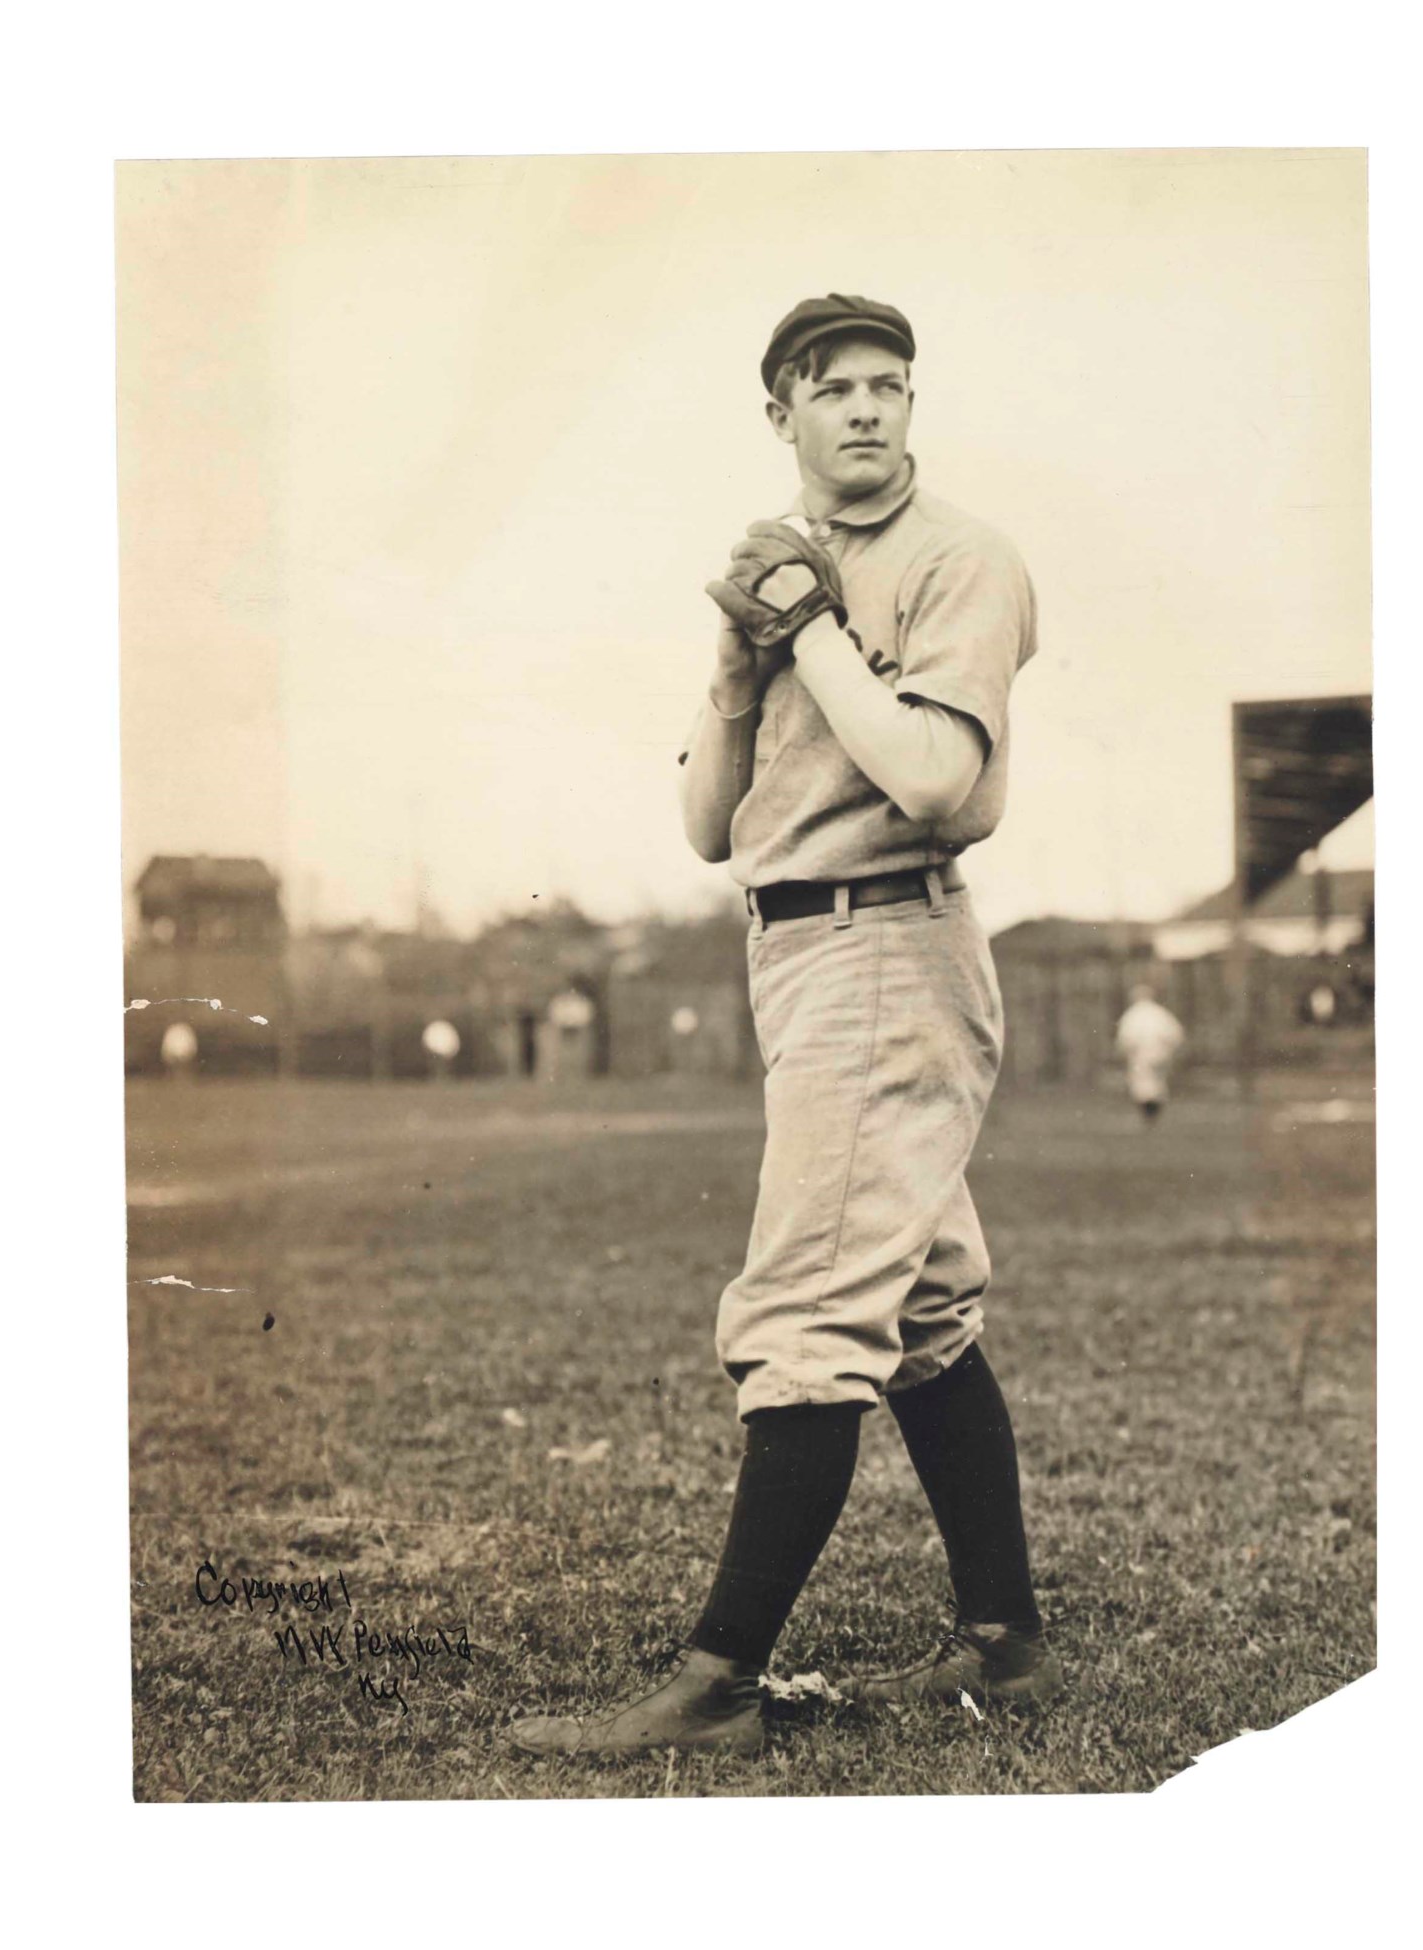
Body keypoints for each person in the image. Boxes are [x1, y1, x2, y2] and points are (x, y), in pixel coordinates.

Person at [507, 293, 1056, 1759]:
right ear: (782, 415)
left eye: (890, 383)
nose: (866, 407)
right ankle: (1005, 1644)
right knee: (920, 1305)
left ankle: (720, 1683)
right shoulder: (787, 566)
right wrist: (735, 665)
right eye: (833, 387)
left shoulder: (959, 557)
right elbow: (708, 826)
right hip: (797, 946)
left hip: (889, 935)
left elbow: (932, 778)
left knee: (809, 1307)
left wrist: (808, 626)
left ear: (910, 404)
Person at [1115, 984, 1186, 1121]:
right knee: (1158, 1083)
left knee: (1143, 1084)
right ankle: (1155, 1113)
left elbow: (1125, 1038)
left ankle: (1149, 1114)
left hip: (1141, 1054)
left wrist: (1124, 1052)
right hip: (1162, 1053)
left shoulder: (1132, 1014)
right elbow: (1176, 1034)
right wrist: (1171, 1050)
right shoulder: (1161, 1013)